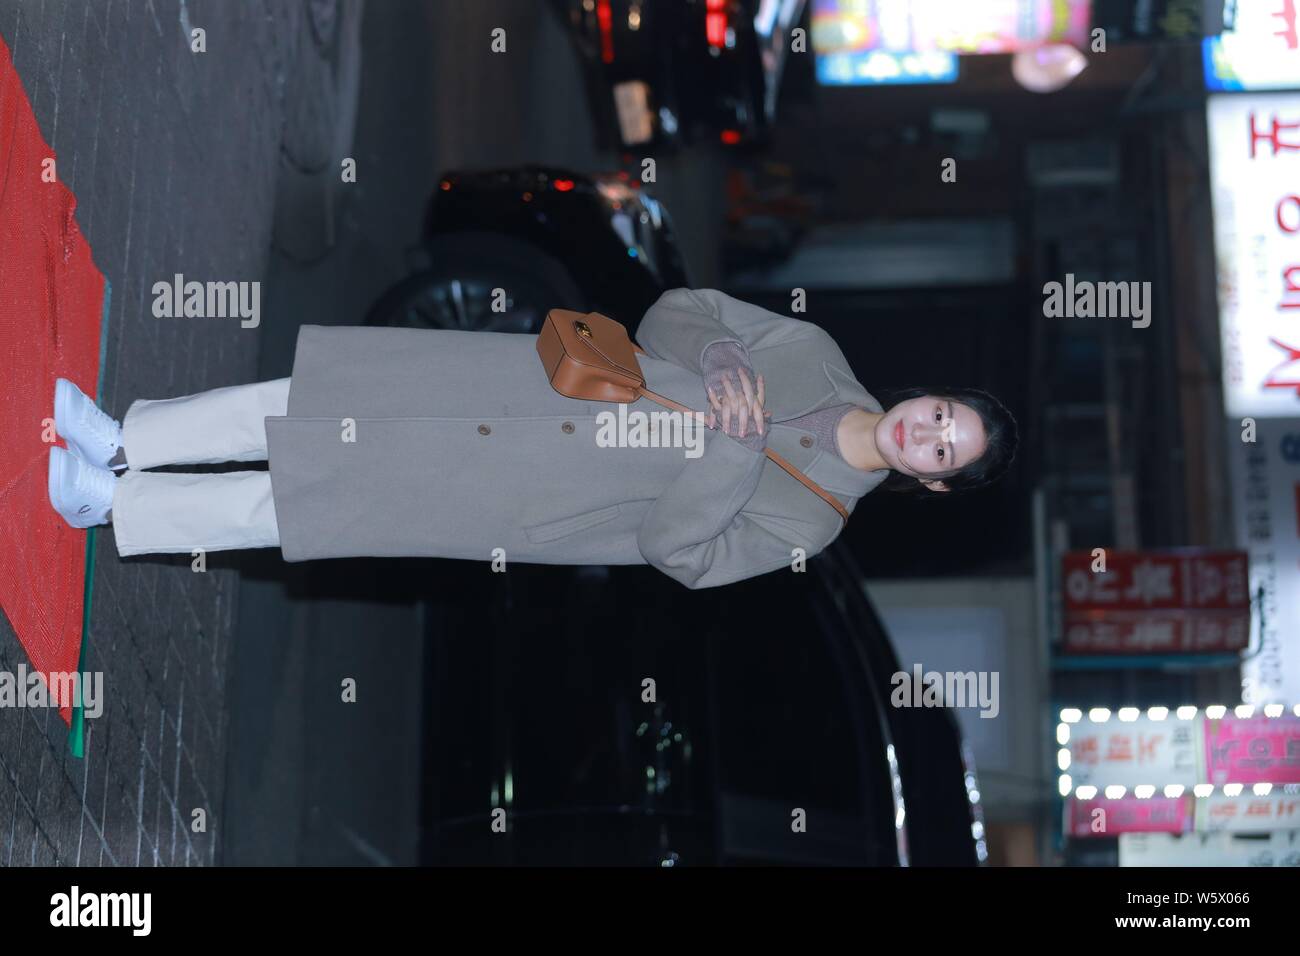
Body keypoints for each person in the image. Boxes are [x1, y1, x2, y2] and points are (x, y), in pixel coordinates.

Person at [47, 287, 1017, 589]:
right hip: (514, 383)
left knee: (298, 497)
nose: (925, 430)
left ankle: (119, 502)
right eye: (941, 414)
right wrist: (721, 351)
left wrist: (729, 448)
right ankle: (130, 436)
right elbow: (676, 308)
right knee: (300, 394)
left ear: (930, 483)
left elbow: (679, 554)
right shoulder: (811, 349)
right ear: (929, 394)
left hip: (524, 493)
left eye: (942, 449)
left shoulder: (810, 524)